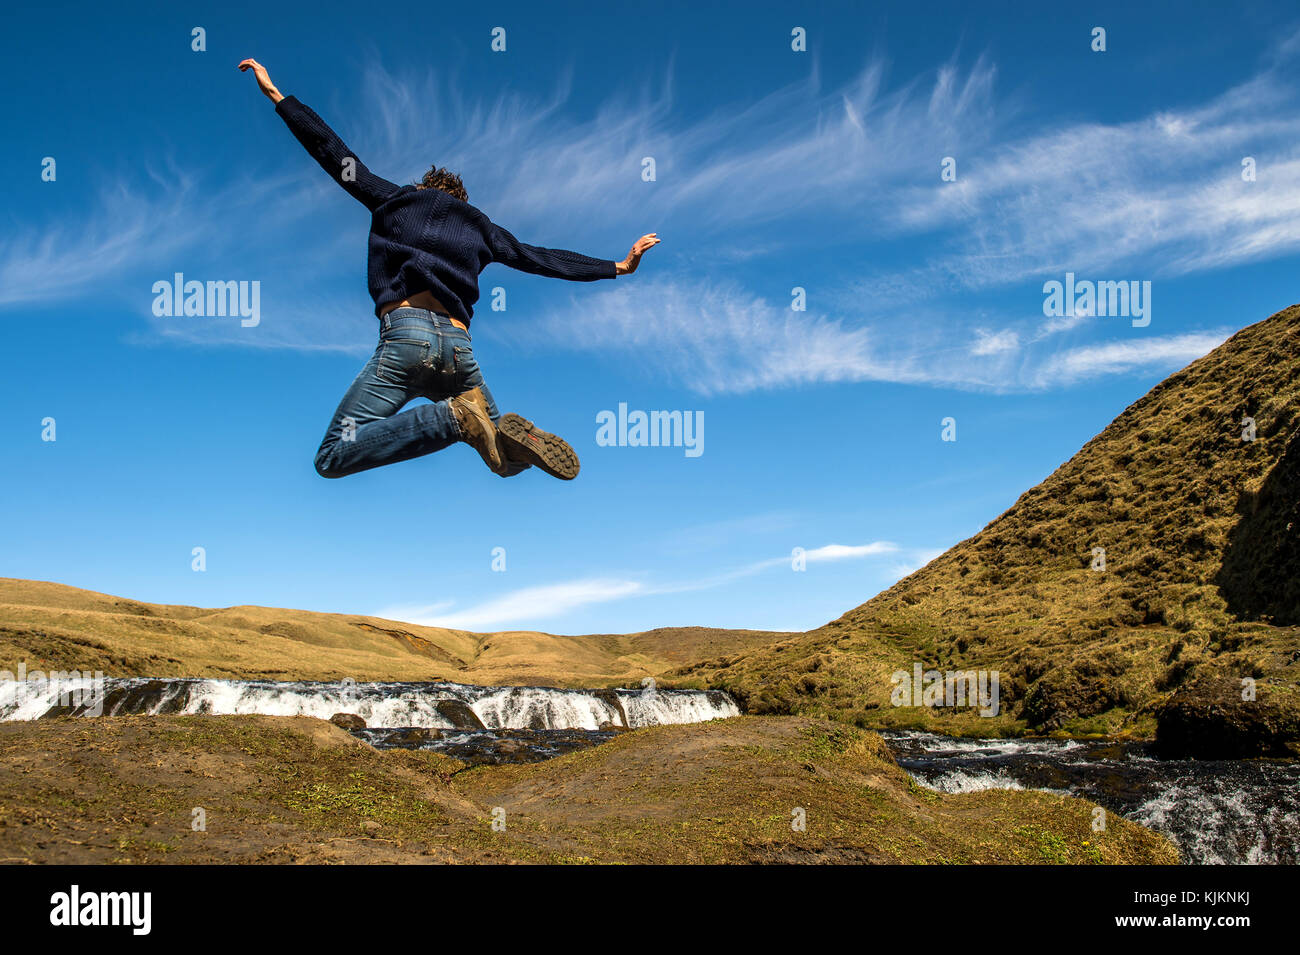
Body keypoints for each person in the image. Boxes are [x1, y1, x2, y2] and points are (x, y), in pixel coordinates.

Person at [238, 58, 660, 480]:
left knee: (333, 454)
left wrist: (277, 95)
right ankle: (470, 419)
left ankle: (452, 420)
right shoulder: (483, 228)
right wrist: (617, 267)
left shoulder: (396, 198)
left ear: (424, 187)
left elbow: (336, 156)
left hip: (407, 341)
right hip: (460, 353)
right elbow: (539, 257)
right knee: (505, 460)